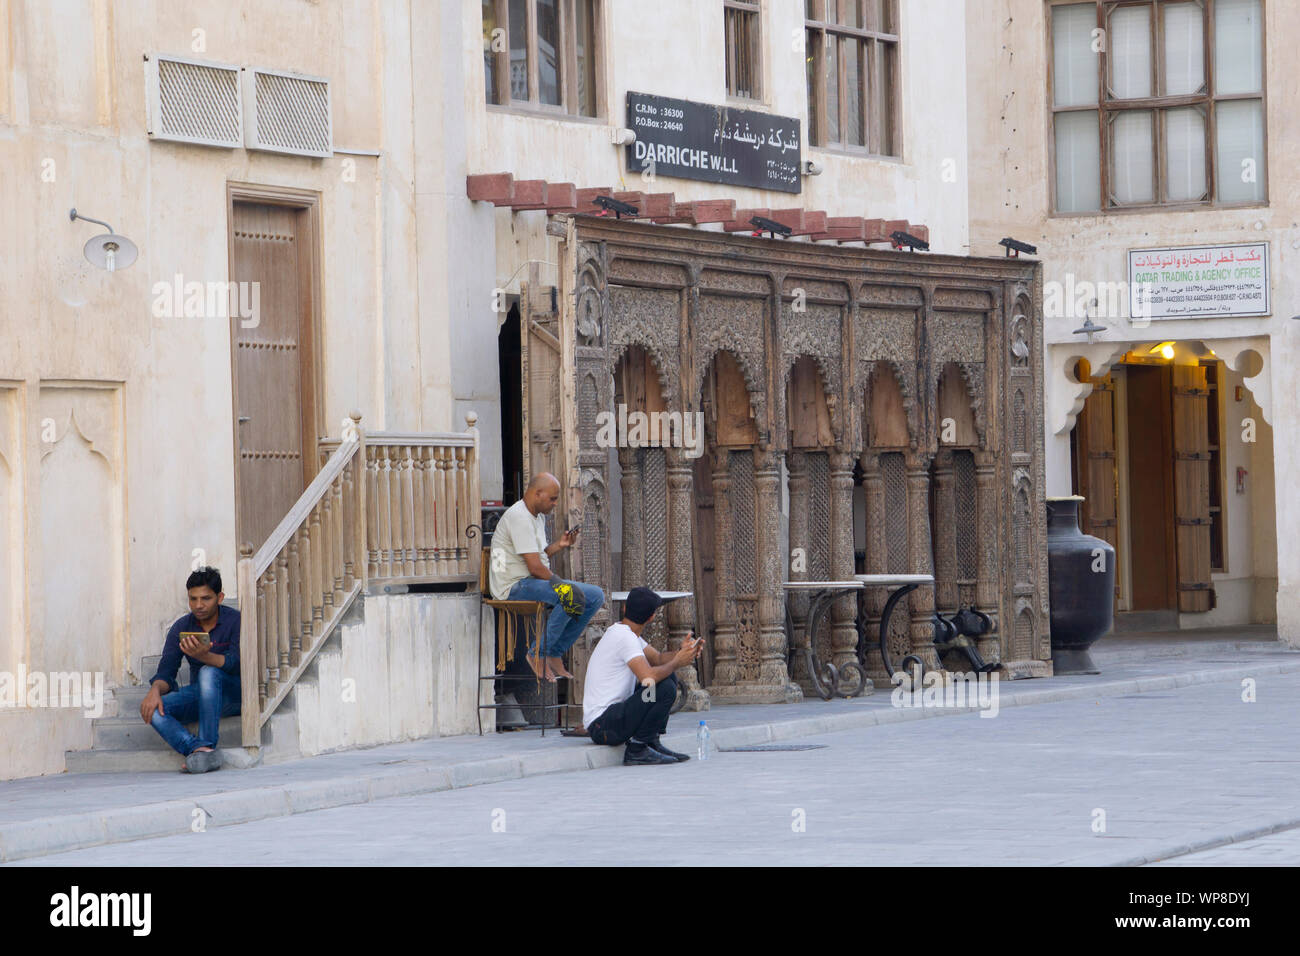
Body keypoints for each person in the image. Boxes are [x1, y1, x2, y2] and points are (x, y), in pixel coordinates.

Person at [490, 472, 605, 680]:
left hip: (529, 581)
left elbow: (537, 557)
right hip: (511, 587)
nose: (555, 504)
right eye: (552, 499)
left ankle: (553, 652)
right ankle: (537, 653)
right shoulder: (519, 516)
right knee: (569, 595)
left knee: (596, 596)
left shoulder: (537, 516)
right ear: (537, 493)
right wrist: (560, 584)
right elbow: (535, 567)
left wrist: (560, 546)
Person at [583, 586, 704, 765]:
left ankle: (650, 741)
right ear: (651, 617)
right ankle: (638, 748)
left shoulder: (624, 633)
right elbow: (648, 676)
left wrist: (683, 652)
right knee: (663, 687)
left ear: (624, 608)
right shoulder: (625, 638)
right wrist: (678, 662)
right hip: (603, 726)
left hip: (611, 721)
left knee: (668, 677)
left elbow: (658, 659)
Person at [138, 567, 242, 773]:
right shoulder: (181, 627)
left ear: (220, 597)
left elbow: (238, 664)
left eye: (206, 598)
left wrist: (206, 657)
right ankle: (198, 749)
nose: (199, 605)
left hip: (233, 695)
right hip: (201, 696)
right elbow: (167, 671)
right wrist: (155, 691)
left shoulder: (235, 621)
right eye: (193, 599)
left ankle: (207, 744)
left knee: (208, 672)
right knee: (155, 710)